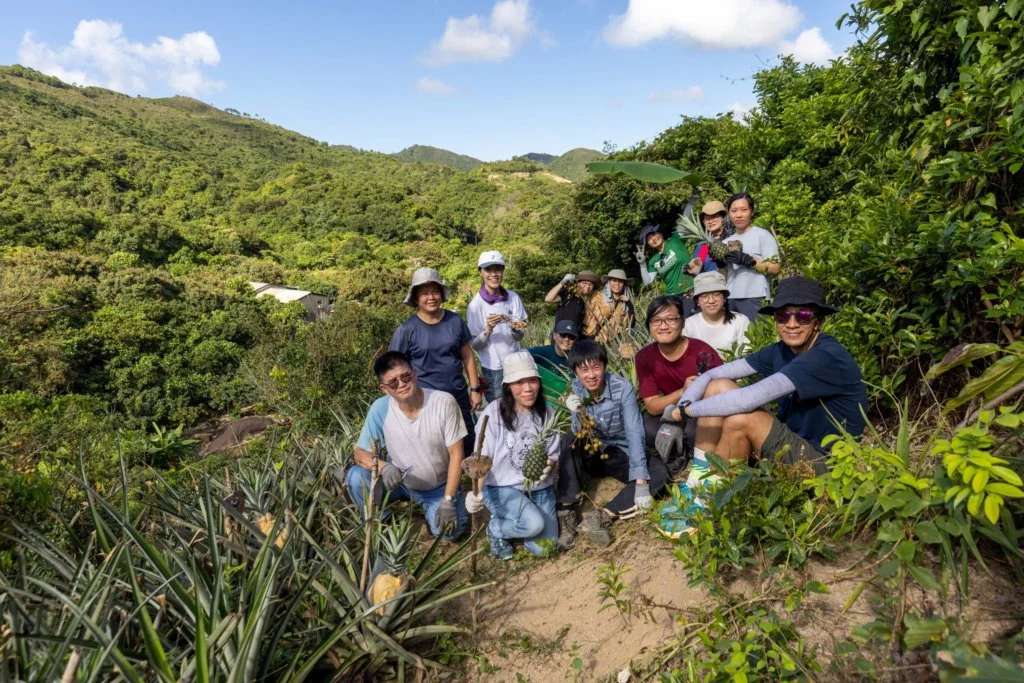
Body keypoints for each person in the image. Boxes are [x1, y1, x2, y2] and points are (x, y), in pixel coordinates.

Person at [667, 277, 867, 493]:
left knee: (741, 419)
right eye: (783, 316)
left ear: (818, 322)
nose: (791, 324)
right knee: (719, 385)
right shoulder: (781, 350)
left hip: (829, 465)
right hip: (793, 443)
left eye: (804, 316)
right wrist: (685, 401)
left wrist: (682, 412)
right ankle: (698, 476)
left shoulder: (825, 356)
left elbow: (747, 400)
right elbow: (712, 375)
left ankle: (710, 498)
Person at [556, 340, 670, 548]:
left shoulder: (621, 388)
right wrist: (576, 411)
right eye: (583, 370)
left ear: (604, 366)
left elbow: (634, 432)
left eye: (596, 367)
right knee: (570, 440)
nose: (591, 375)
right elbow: (580, 433)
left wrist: (641, 480)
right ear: (575, 371)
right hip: (593, 452)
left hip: (619, 451)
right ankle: (566, 511)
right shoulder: (576, 388)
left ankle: (601, 516)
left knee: (659, 474)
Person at [346, 351, 469, 540]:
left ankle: (433, 511)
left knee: (450, 532)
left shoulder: (443, 402)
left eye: (405, 376)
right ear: (384, 388)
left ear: (414, 373)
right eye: (393, 382)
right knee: (356, 477)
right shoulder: (380, 408)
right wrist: (384, 467)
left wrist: (448, 499)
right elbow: (359, 453)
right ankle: (380, 522)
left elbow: (456, 454)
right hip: (399, 483)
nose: (402, 384)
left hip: (438, 487)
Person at [464, 352, 561, 560]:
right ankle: (496, 529)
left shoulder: (548, 412)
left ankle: (519, 525)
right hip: (503, 488)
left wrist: (548, 468)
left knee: (545, 548)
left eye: (532, 380)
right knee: (534, 524)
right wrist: (476, 493)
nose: (528, 388)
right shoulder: (493, 413)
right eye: (519, 382)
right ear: (508, 385)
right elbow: (483, 459)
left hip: (539, 489)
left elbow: (552, 455)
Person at [389, 268, 481, 451]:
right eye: (424, 293)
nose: (431, 297)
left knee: (468, 444)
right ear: (416, 298)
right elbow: (393, 368)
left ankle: (467, 480)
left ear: (441, 294)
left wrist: (475, 389)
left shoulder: (455, 322)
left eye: (434, 291)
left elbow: (467, 356)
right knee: (434, 449)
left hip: (458, 396)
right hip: (424, 401)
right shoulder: (406, 330)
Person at [634, 295, 722, 477]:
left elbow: (722, 392)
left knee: (695, 430)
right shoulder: (644, 357)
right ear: (649, 326)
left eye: (671, 320)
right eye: (656, 321)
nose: (664, 326)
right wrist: (682, 392)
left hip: (701, 408)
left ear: (682, 323)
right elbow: (651, 406)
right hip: (671, 409)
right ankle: (678, 451)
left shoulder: (701, 351)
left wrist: (696, 392)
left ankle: (690, 451)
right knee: (647, 427)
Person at [466, 250, 528, 402]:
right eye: (488, 269)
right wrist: (487, 330)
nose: (494, 274)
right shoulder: (476, 305)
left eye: (498, 269)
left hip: (515, 362)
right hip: (493, 368)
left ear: (502, 271)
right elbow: (475, 345)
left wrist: (515, 328)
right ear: (480, 272)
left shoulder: (513, 298)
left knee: (519, 404)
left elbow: (519, 336)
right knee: (498, 409)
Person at [721, 193, 781, 321]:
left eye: (744, 210)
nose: (738, 215)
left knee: (757, 337)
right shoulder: (726, 242)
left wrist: (750, 261)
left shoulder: (762, 235)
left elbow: (775, 268)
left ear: (751, 212)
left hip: (755, 296)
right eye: (734, 211)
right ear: (729, 214)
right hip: (730, 297)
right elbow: (724, 274)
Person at [683, 271, 751, 359]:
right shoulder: (688, 325)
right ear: (697, 301)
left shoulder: (740, 321)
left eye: (716, 295)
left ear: (725, 298)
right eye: (704, 296)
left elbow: (747, 354)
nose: (711, 301)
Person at [637, 224, 695, 315]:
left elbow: (685, 218)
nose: (653, 239)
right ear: (648, 245)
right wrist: (642, 264)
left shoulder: (675, 240)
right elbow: (647, 281)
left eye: (654, 234)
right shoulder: (653, 260)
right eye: (649, 239)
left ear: (660, 233)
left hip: (691, 289)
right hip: (672, 298)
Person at [528, 319, 578, 405]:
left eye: (571, 337)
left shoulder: (578, 358)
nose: (567, 339)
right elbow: (518, 355)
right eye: (563, 335)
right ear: (554, 336)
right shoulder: (542, 353)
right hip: (546, 402)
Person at [587, 269, 637, 345]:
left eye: (620, 281)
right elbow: (588, 318)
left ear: (624, 284)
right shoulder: (598, 296)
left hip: (613, 343)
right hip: (594, 341)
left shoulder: (625, 300)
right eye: (614, 280)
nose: (617, 284)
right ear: (608, 282)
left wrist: (629, 304)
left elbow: (631, 324)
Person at [544, 271, 600, 335]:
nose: (587, 286)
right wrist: (562, 282)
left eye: (590, 284)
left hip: (576, 339)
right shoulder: (568, 295)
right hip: (560, 337)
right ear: (578, 283)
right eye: (584, 283)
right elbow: (548, 299)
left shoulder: (586, 301)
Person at [685, 200, 730, 275]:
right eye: (707, 218)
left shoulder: (733, 237)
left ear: (723, 217)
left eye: (715, 217)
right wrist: (691, 269)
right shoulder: (704, 245)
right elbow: (699, 263)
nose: (710, 221)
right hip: (711, 284)